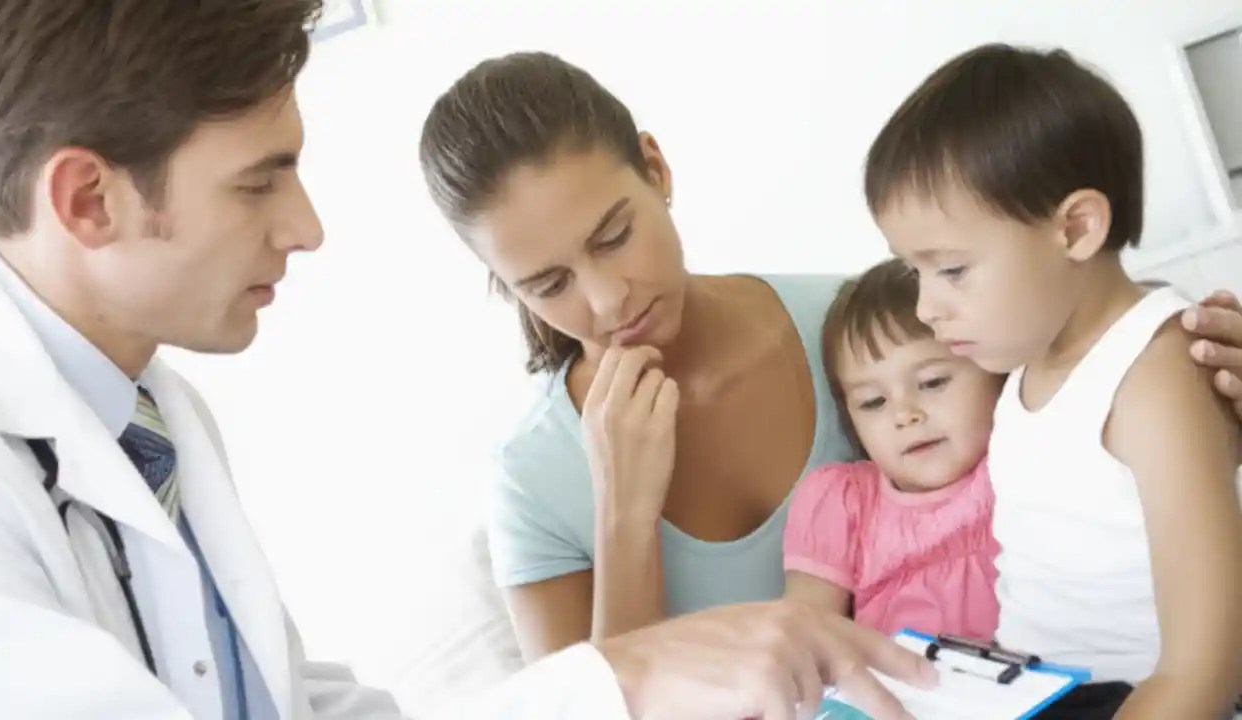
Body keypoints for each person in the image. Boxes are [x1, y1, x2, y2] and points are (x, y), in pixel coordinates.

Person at [0, 2, 943, 719]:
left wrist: (619, 678)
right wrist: (630, 652)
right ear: (88, 200)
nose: (306, 229)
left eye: (613, 234)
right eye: (260, 183)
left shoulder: (151, 422)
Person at [416, 49, 1242, 666]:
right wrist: (624, 517)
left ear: (656, 168)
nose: (606, 301)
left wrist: (1195, 380)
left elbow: (1073, 360)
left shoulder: (857, 332)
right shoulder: (532, 481)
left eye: (614, 236)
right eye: (548, 284)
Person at [865, 43, 1242, 718]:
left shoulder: (1155, 374)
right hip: (1033, 688)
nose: (925, 308)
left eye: (951, 270)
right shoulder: (1023, 361)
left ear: (1075, 229)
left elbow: (1206, 665)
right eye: (912, 271)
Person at [783, 259, 1002, 641]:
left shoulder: (1020, 470)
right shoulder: (844, 501)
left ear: (998, 373)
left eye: (932, 382)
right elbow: (805, 635)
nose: (905, 414)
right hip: (890, 678)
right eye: (873, 402)